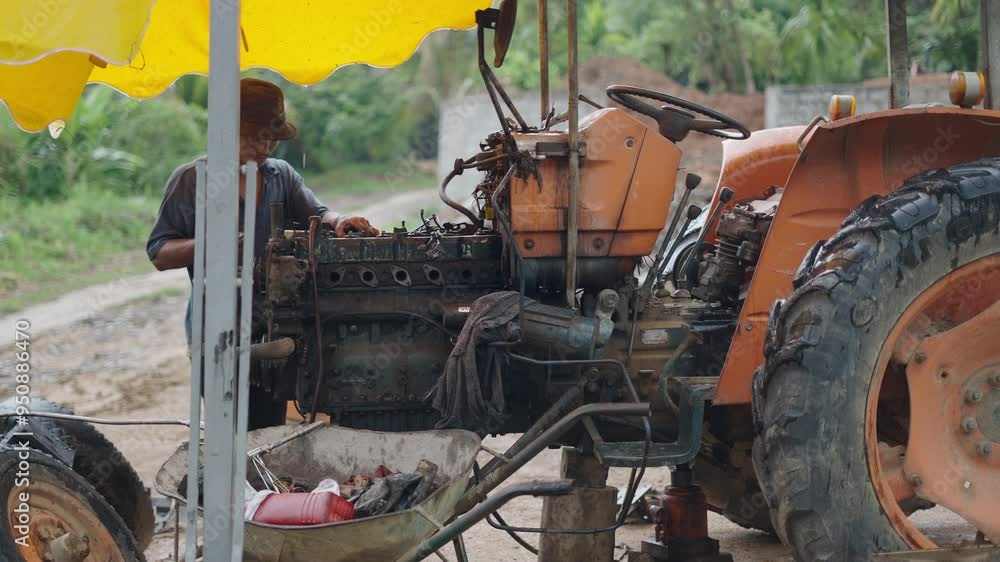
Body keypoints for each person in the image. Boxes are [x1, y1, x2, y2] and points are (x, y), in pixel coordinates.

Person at [147, 77, 378, 427]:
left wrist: (340, 219)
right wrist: (207, 244)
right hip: (217, 331)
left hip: (273, 329)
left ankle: (263, 481)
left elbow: (318, 213)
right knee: (231, 431)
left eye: (271, 137)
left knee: (269, 427)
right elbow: (159, 251)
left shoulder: (280, 176)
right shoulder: (192, 181)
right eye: (254, 137)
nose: (265, 146)